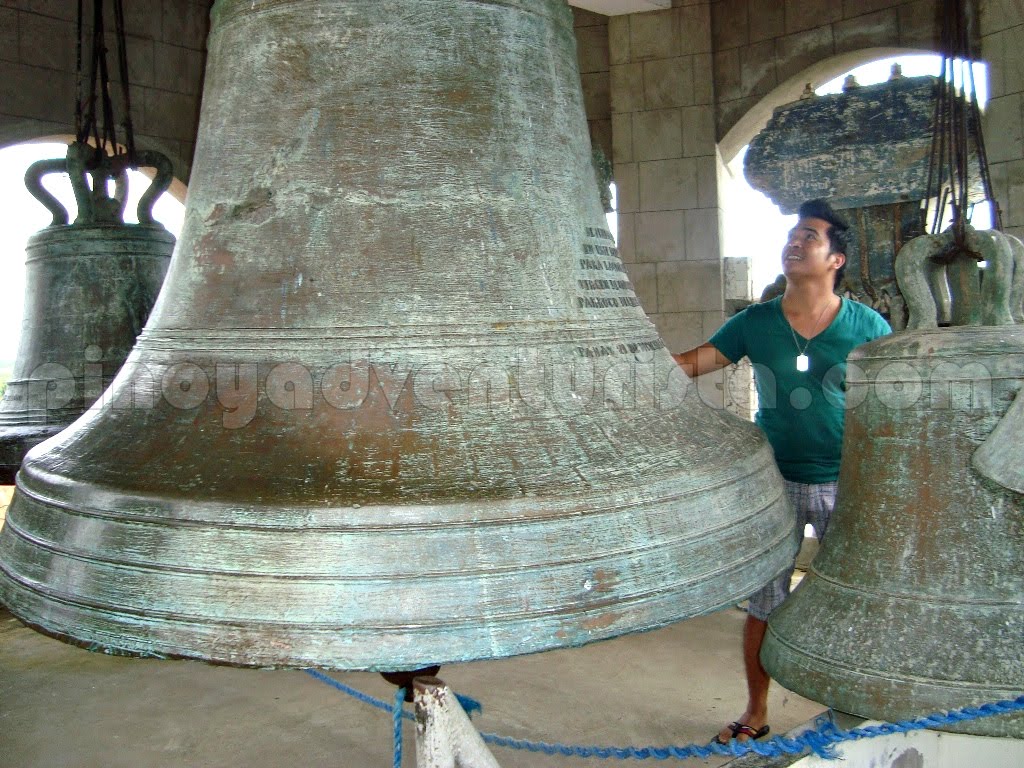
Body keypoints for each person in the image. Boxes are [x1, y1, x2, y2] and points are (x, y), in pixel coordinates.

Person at [672, 199, 891, 745]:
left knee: (858, 597)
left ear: (836, 258)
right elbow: (691, 366)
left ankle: (859, 704)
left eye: (810, 237)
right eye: (792, 235)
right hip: (775, 484)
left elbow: (891, 402)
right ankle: (756, 711)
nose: (795, 242)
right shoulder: (757, 323)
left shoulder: (867, 326)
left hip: (847, 481)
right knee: (764, 602)